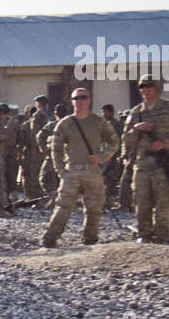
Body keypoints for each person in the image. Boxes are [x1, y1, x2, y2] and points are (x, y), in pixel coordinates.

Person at [39, 87, 119, 247]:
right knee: (63, 207)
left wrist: (102, 157)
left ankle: (90, 239)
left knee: (94, 209)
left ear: (89, 100)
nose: (80, 101)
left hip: (92, 171)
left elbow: (114, 142)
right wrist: (60, 170)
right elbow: (55, 148)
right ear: (72, 101)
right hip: (72, 171)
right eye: (76, 98)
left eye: (83, 98)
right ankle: (50, 238)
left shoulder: (99, 122)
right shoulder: (65, 124)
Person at [123, 75, 169, 244]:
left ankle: (161, 238)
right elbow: (127, 140)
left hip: (163, 164)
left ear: (156, 87)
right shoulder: (136, 112)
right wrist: (136, 129)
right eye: (142, 86)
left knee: (163, 205)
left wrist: (165, 143)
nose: (145, 89)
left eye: (149, 86)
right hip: (143, 164)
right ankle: (144, 237)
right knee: (141, 203)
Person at [22, 95, 51, 198]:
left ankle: (37, 198)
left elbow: (34, 135)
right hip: (48, 147)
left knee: (36, 173)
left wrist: (35, 148)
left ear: (38, 104)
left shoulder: (37, 115)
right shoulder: (49, 115)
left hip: (37, 149)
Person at [100, 103, 124, 210]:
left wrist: (112, 156)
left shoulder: (116, 125)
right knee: (105, 179)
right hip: (105, 155)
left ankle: (109, 201)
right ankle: (105, 201)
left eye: (105, 112)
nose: (103, 114)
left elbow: (116, 142)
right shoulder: (105, 124)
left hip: (113, 156)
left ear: (111, 112)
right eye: (103, 112)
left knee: (111, 179)